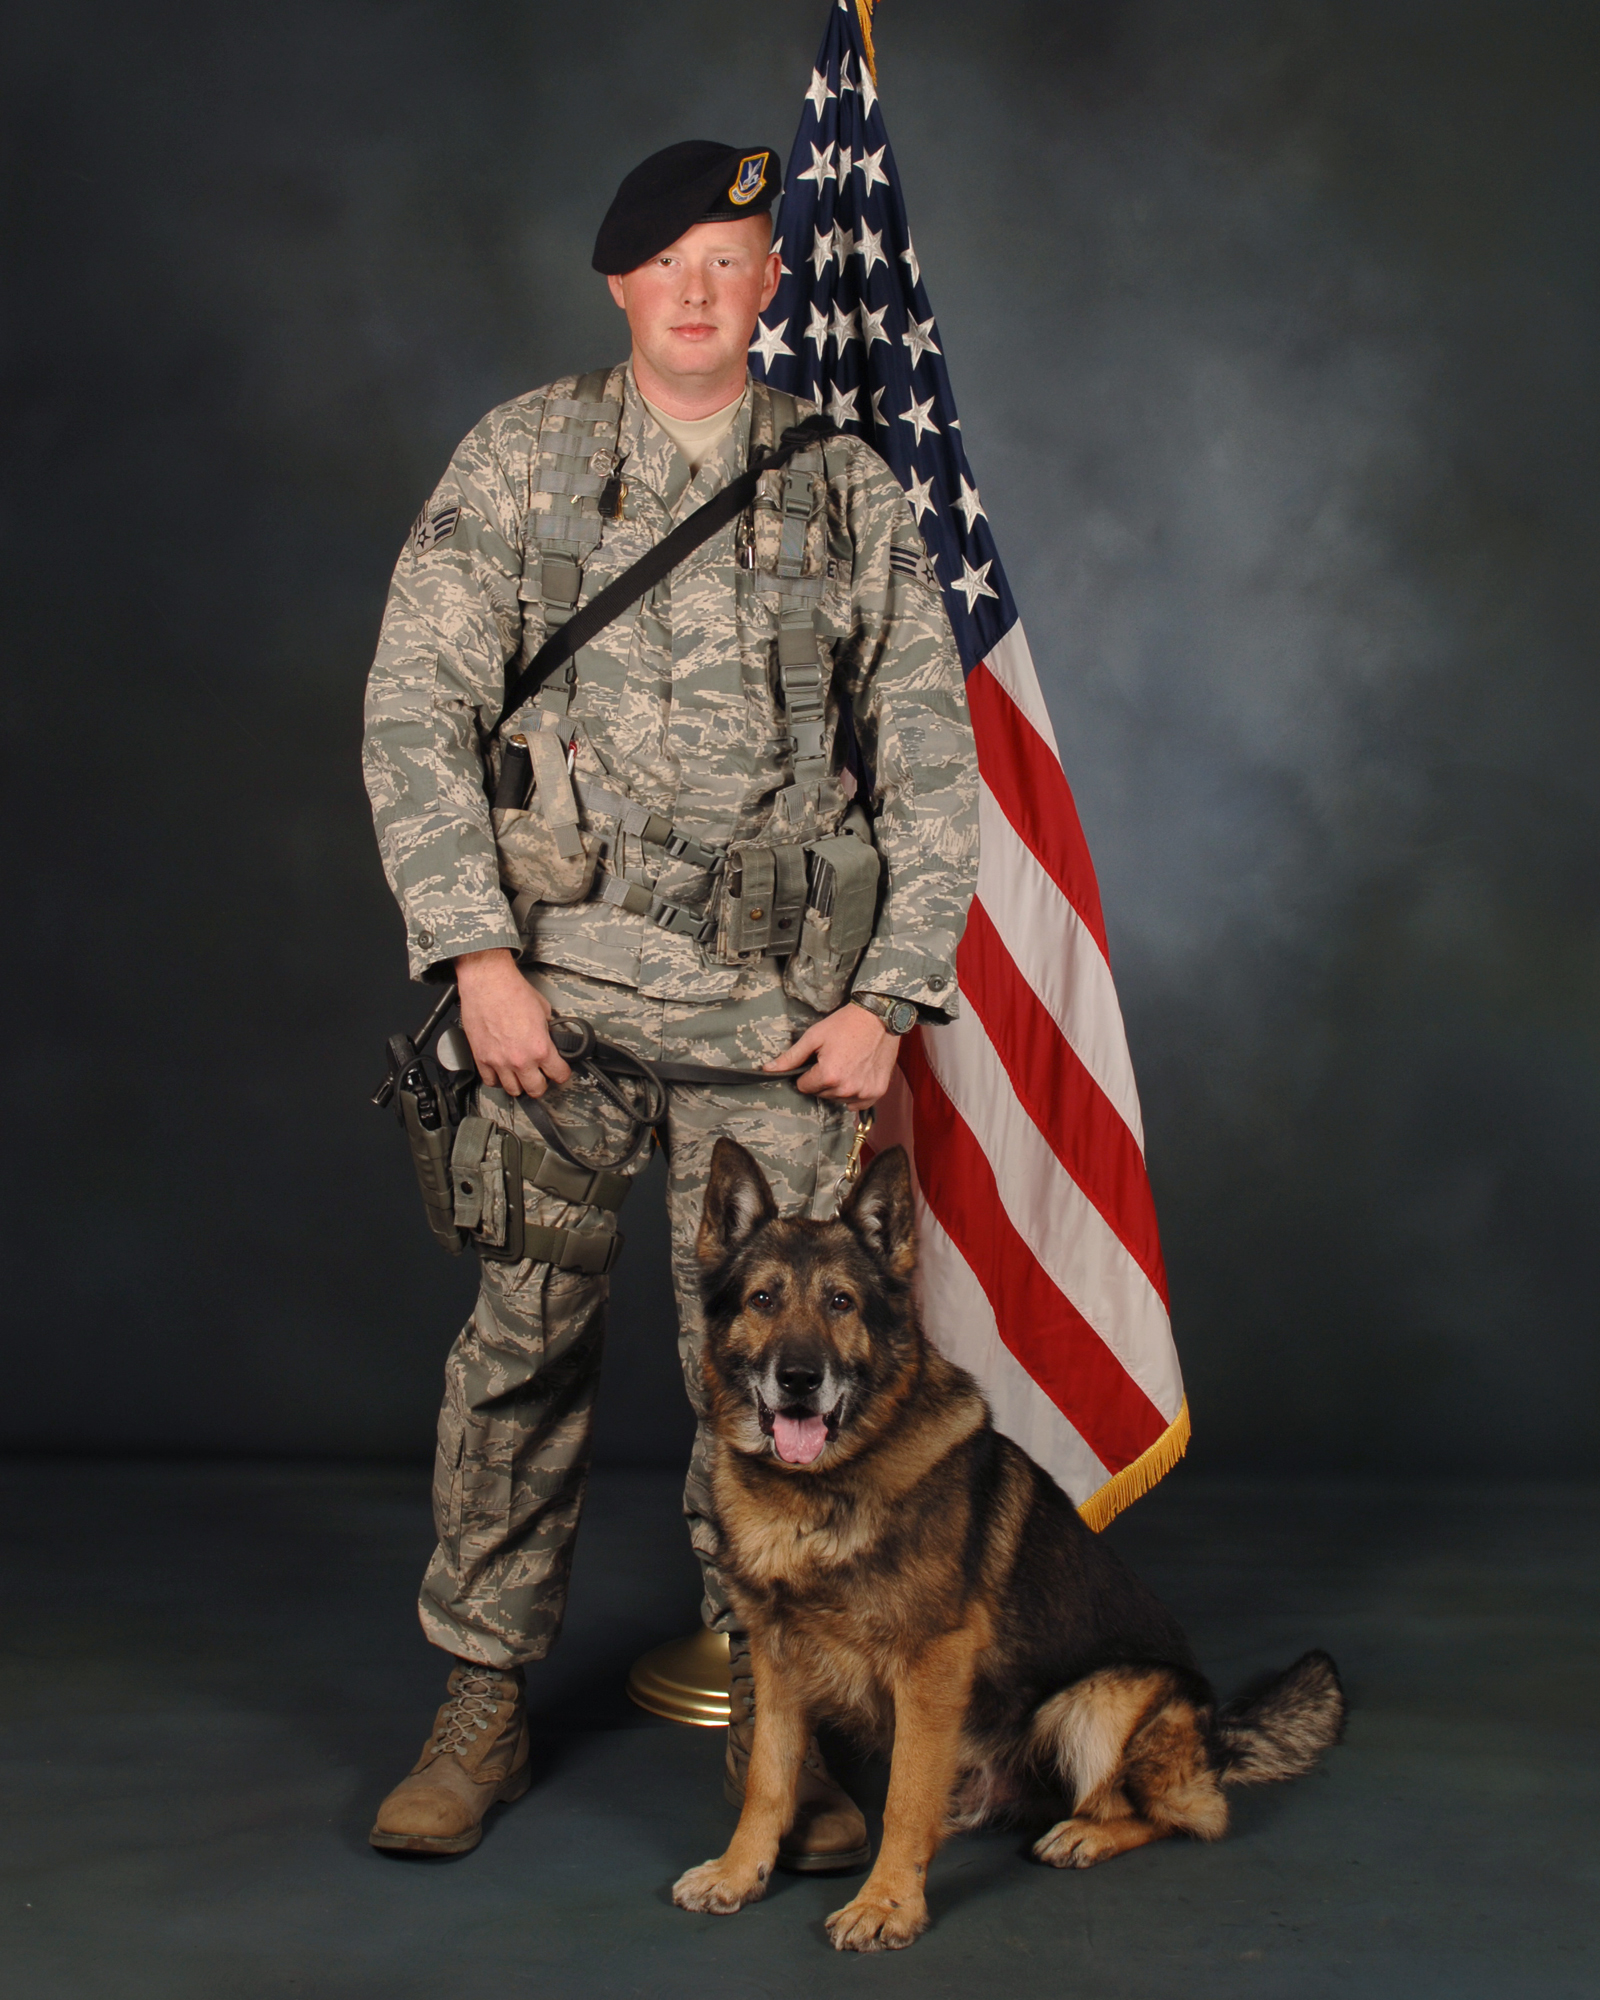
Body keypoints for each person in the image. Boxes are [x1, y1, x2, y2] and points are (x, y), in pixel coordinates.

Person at [361, 139, 978, 1865]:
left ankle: (783, 1730)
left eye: (735, 256)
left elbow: (935, 762)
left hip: (784, 1019)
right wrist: (474, 957)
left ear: (774, 279)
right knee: (522, 1354)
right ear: (619, 282)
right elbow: (414, 711)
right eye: (671, 260)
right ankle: (480, 1701)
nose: (703, 289)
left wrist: (890, 998)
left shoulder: (845, 482)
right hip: (551, 1006)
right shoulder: (526, 461)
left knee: (790, 1382)